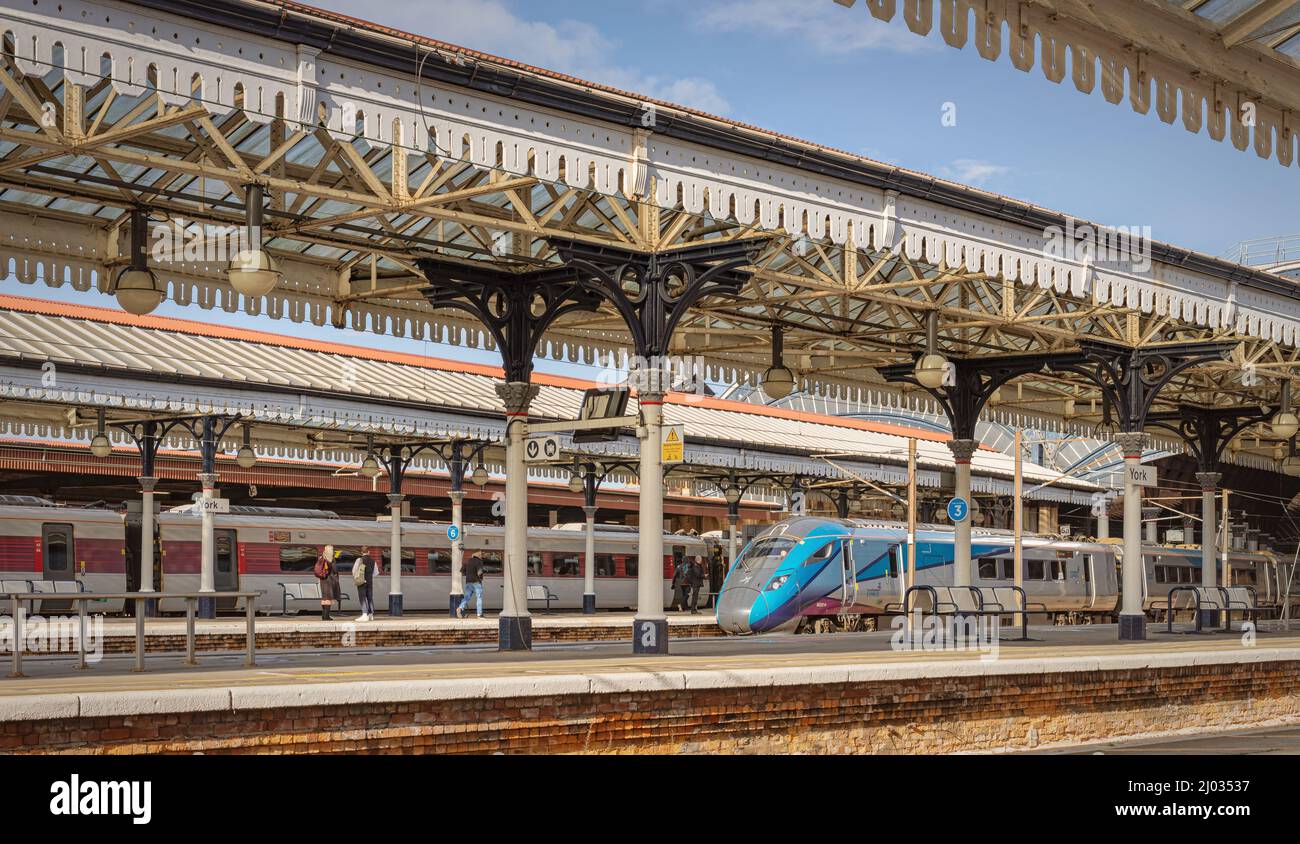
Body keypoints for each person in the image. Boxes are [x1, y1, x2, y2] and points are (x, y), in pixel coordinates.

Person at [314, 544, 340, 620]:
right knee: (328, 598)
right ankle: (326, 616)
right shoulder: (331, 559)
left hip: (323, 580)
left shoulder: (321, 558)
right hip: (329, 580)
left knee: (324, 598)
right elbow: (335, 570)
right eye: (332, 549)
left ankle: (324, 615)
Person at [352, 546, 377, 622]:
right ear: (368, 552)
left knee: (362, 597)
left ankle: (364, 614)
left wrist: (358, 578)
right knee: (369, 597)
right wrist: (369, 576)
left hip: (362, 581)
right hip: (370, 582)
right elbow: (376, 572)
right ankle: (371, 614)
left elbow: (354, 571)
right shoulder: (373, 561)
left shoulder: (359, 560)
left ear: (361, 552)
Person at [458, 554, 485, 618]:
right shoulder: (479, 561)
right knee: (479, 597)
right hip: (476, 582)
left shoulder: (467, 561)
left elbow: (462, 571)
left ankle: (460, 607)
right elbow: (479, 572)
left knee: (466, 597)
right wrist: (481, 578)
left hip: (468, 582)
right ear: (478, 555)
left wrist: (468, 575)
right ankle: (479, 614)